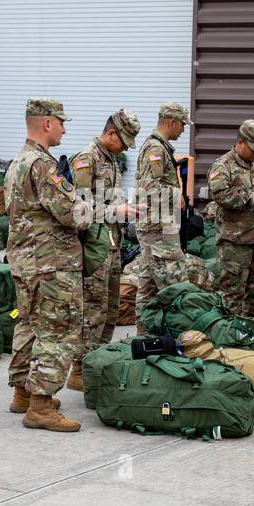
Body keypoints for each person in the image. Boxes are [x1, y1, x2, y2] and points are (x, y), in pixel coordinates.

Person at [5, 98, 91, 432]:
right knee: (58, 329)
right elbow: (74, 214)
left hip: (25, 261)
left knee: (28, 324)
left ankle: (23, 393)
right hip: (51, 264)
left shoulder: (18, 162)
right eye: (61, 122)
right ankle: (40, 406)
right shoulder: (42, 165)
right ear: (46, 124)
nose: (65, 129)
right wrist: (100, 209)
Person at [66, 108, 142, 391]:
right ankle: (79, 368)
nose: (125, 147)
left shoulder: (110, 159)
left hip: (111, 245)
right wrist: (116, 210)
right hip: (94, 248)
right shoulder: (87, 160)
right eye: (123, 140)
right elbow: (79, 210)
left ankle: (97, 363)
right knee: (93, 312)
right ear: (111, 133)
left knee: (110, 311)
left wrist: (127, 211)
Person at [207, 119, 254, 327]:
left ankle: (252, 333)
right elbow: (221, 196)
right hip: (235, 242)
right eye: (253, 148)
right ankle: (230, 336)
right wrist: (250, 197)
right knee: (232, 294)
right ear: (240, 142)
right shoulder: (222, 166)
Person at [133, 102, 191, 332]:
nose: (183, 130)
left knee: (147, 283)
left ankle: (143, 333)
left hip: (156, 226)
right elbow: (151, 189)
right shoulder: (155, 150)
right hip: (158, 229)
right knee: (175, 284)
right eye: (182, 125)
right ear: (171, 122)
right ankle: (178, 334)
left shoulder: (159, 147)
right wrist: (177, 196)